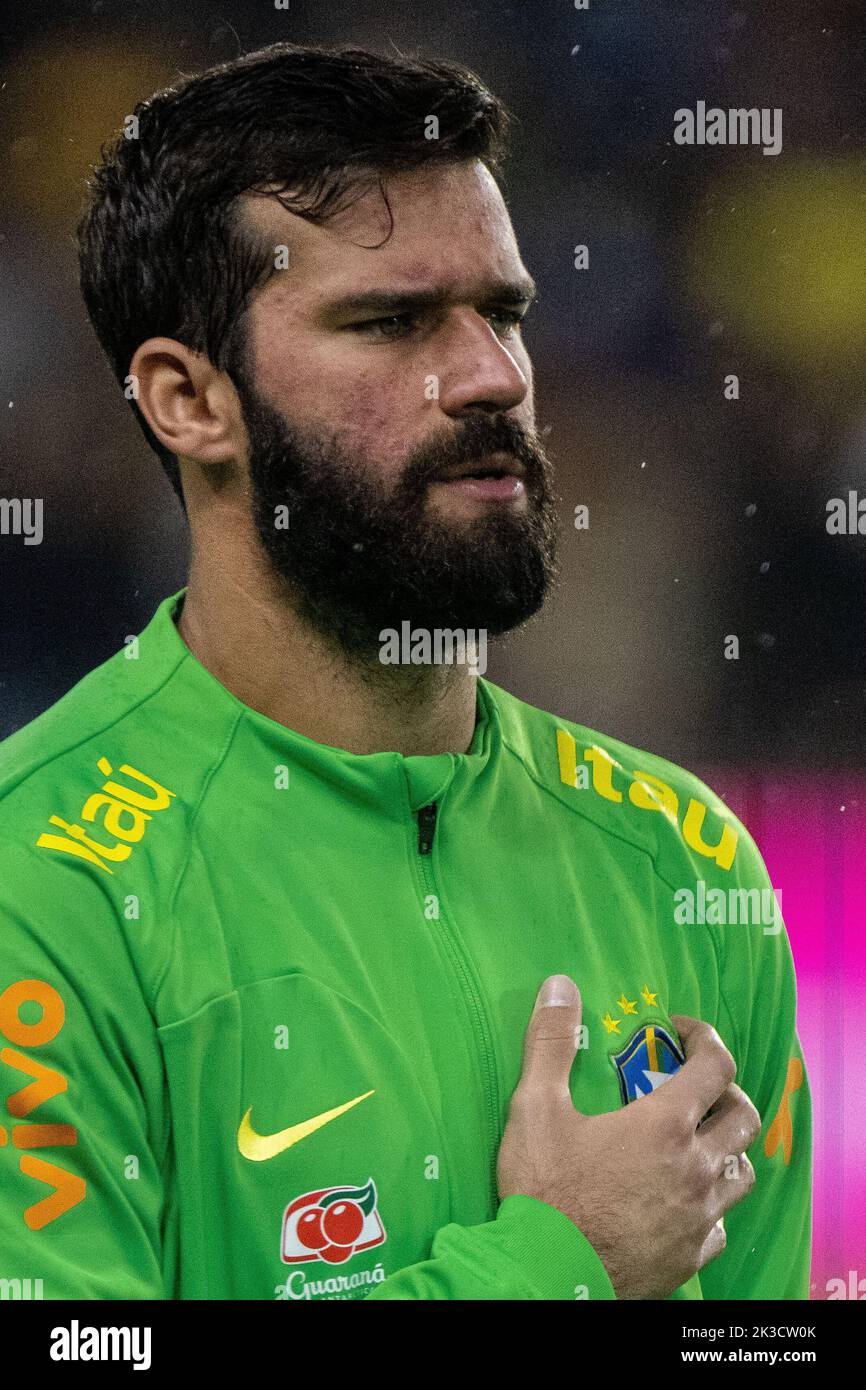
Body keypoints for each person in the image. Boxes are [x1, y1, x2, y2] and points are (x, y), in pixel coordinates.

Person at [0, 42, 810, 1300]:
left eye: (501, 312)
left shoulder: (682, 859)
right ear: (186, 399)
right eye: (389, 322)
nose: (492, 377)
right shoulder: (42, 888)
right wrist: (559, 1264)